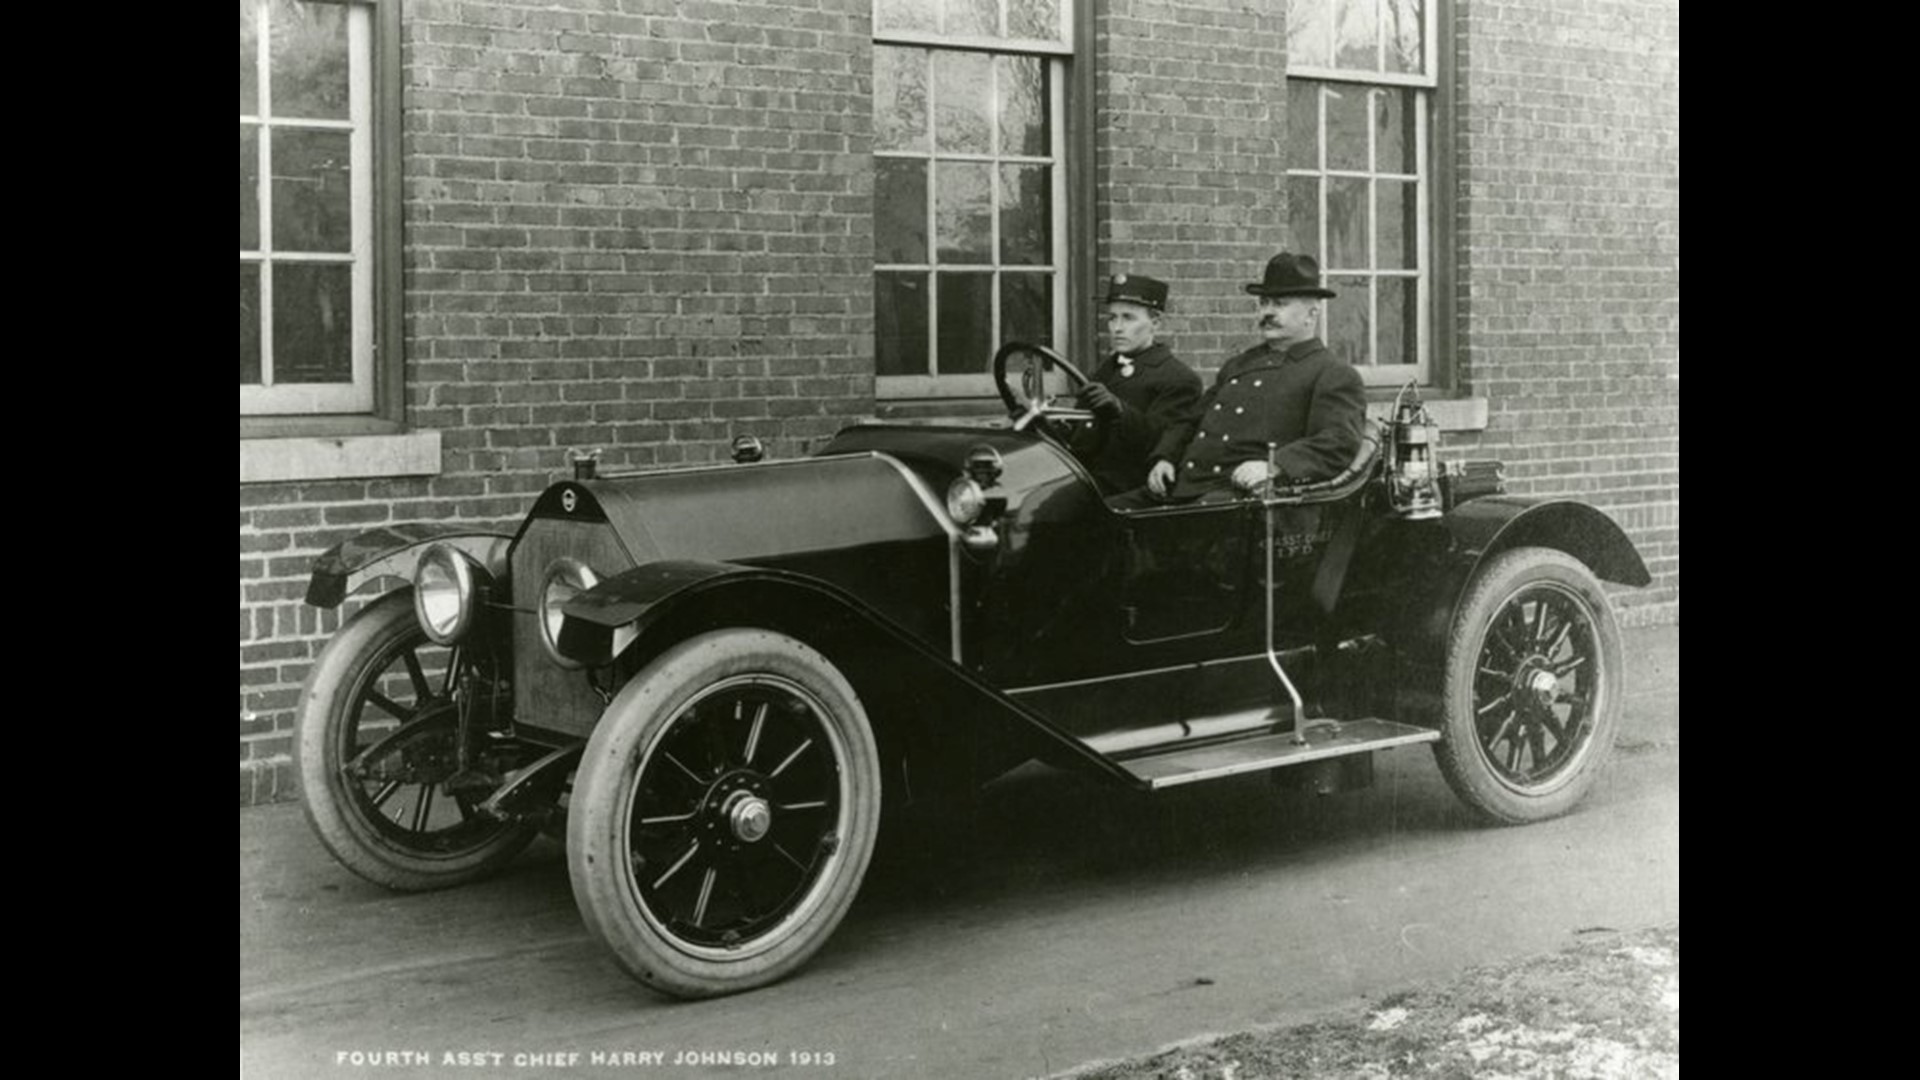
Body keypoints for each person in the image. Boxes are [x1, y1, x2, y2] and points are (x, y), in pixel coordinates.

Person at [1128, 253, 1366, 505]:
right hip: (1182, 486)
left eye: (1280, 304)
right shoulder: (1239, 364)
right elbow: (1191, 419)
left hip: (1242, 497)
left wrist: (1275, 465)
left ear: (1312, 314)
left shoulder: (1332, 373)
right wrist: (1165, 457)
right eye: (1264, 303)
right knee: (1092, 512)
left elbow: (1338, 442)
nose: (1267, 312)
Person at [1071, 274, 1203, 495]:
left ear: (1156, 322)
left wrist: (1120, 410)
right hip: (1085, 479)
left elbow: (1161, 442)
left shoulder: (1178, 379)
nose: (1117, 328)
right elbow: (1081, 435)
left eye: (1128, 318)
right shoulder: (1104, 371)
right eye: (1112, 318)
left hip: (1128, 490)